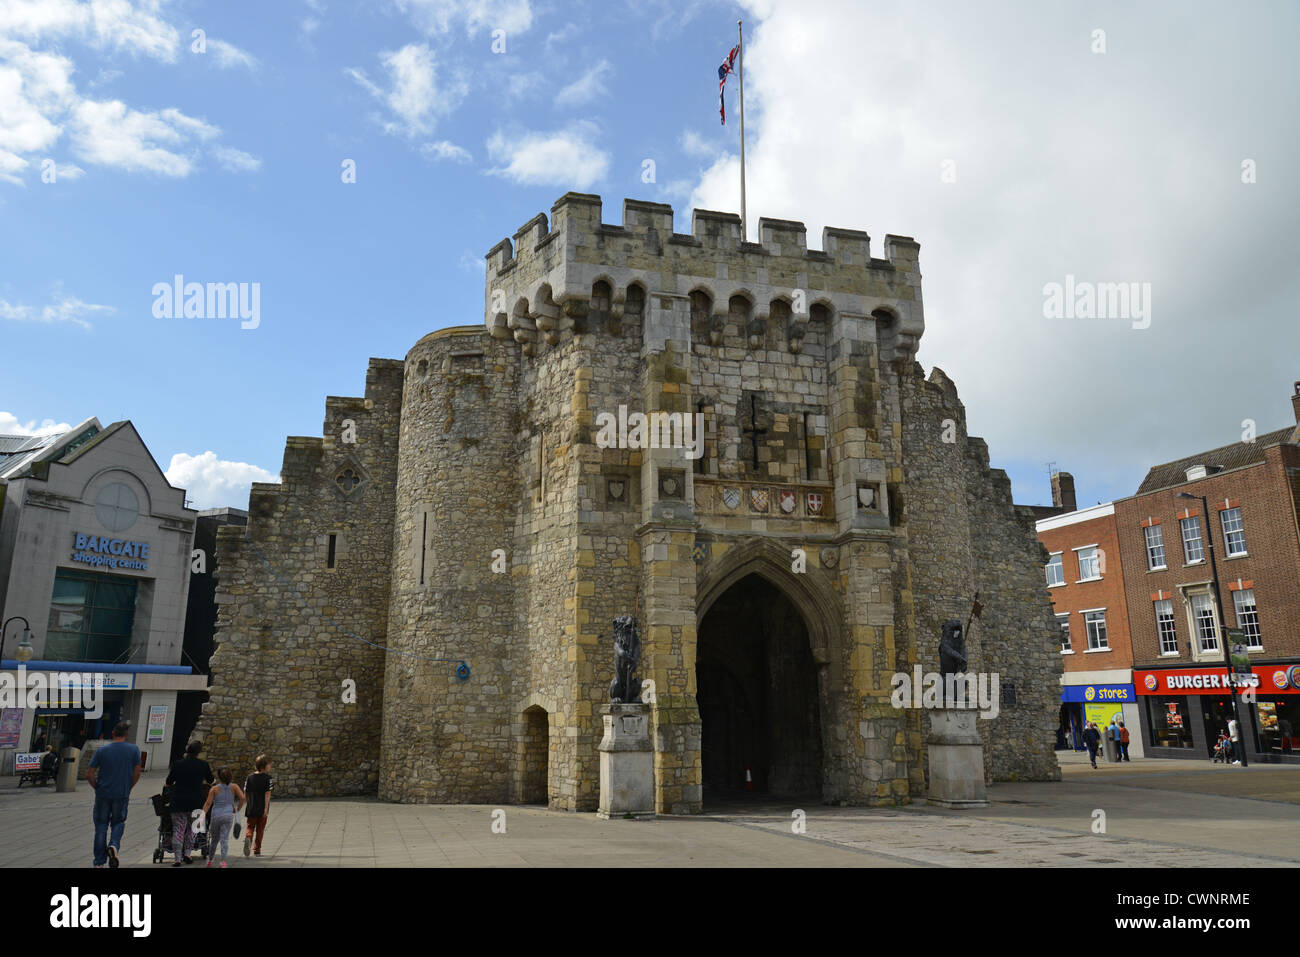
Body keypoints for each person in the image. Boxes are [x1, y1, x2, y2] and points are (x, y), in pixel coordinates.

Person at [86, 721, 142, 869]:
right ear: (126, 735)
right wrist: (129, 786)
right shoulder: (134, 750)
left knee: (101, 826)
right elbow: (137, 772)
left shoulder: (102, 750)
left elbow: (89, 773)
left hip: (103, 792)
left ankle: (99, 862)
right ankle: (114, 846)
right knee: (118, 822)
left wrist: (96, 786)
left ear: (113, 733)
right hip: (122, 792)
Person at [165, 741, 214, 866]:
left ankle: (177, 858)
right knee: (193, 829)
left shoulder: (177, 764)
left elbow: (169, 782)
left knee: (178, 830)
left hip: (178, 801)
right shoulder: (203, 765)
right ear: (199, 752)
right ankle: (187, 853)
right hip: (196, 802)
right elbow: (211, 781)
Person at [201, 768, 245, 868]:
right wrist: (237, 809)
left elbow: (208, 804)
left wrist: (201, 817)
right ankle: (223, 862)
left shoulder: (214, 789)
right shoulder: (234, 787)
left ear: (219, 777)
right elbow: (242, 798)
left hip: (216, 816)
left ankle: (210, 860)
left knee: (214, 840)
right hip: (228, 816)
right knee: (224, 839)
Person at [242, 754, 274, 857]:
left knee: (250, 826)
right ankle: (257, 849)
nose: (270, 766)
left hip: (251, 807)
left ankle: (248, 837)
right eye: (269, 764)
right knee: (260, 830)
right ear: (264, 766)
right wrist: (265, 809)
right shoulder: (268, 778)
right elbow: (267, 795)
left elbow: (245, 792)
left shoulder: (249, 777)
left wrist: (244, 803)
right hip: (261, 808)